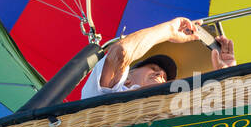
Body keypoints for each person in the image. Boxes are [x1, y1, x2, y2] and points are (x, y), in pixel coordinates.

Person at [81, 16, 236, 99]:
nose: (161, 74)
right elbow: (120, 53)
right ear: (127, 78)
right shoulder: (103, 92)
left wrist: (226, 74)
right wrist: (170, 31)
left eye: (165, 78)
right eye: (154, 68)